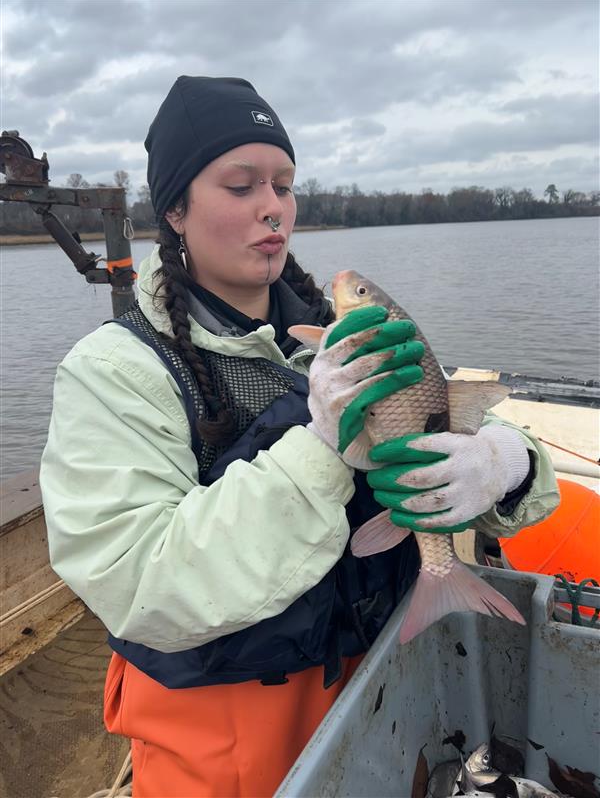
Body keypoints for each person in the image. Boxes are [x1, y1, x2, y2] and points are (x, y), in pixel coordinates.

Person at [39, 76, 559, 798]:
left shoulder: (336, 335)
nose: (272, 206)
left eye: (284, 184)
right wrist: (319, 448)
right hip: (225, 746)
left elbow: (457, 424)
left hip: (382, 693)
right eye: (241, 184)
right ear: (176, 211)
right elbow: (141, 582)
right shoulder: (114, 369)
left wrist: (504, 465)